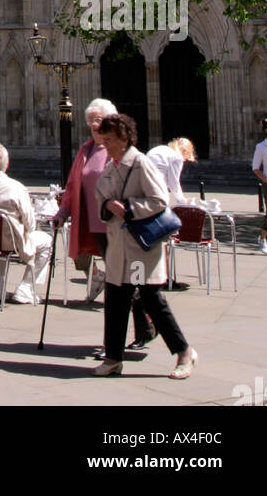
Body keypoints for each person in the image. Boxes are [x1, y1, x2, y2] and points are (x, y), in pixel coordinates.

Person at [93, 113, 196, 380]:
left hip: (140, 249)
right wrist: (107, 205)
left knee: (151, 299)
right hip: (119, 247)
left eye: (110, 139)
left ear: (124, 138)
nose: (105, 144)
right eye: (103, 139)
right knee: (115, 300)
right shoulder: (111, 166)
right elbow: (101, 194)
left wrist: (127, 208)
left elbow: (160, 200)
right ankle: (113, 358)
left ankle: (184, 352)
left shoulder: (140, 163)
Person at [54, 97, 117, 300]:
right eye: (90, 121)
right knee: (80, 254)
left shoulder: (118, 150)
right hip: (88, 218)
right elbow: (73, 184)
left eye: (97, 120)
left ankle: (128, 304)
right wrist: (63, 211)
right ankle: (97, 278)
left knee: (117, 266)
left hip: (114, 221)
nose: (93, 125)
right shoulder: (86, 150)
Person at [0, 143, 52, 304]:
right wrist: (27, 229)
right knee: (47, 241)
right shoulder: (16, 188)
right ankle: (26, 287)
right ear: (7, 165)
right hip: (11, 240)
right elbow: (30, 221)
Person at [146, 138, 196, 205]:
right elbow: (174, 183)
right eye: (186, 158)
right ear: (185, 151)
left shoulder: (163, 149)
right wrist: (183, 201)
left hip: (144, 179)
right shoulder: (177, 157)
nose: (184, 160)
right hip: (156, 186)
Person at [252, 115, 267, 255]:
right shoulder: (261, 147)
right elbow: (255, 167)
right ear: (266, 130)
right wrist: (266, 180)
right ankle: (263, 239)